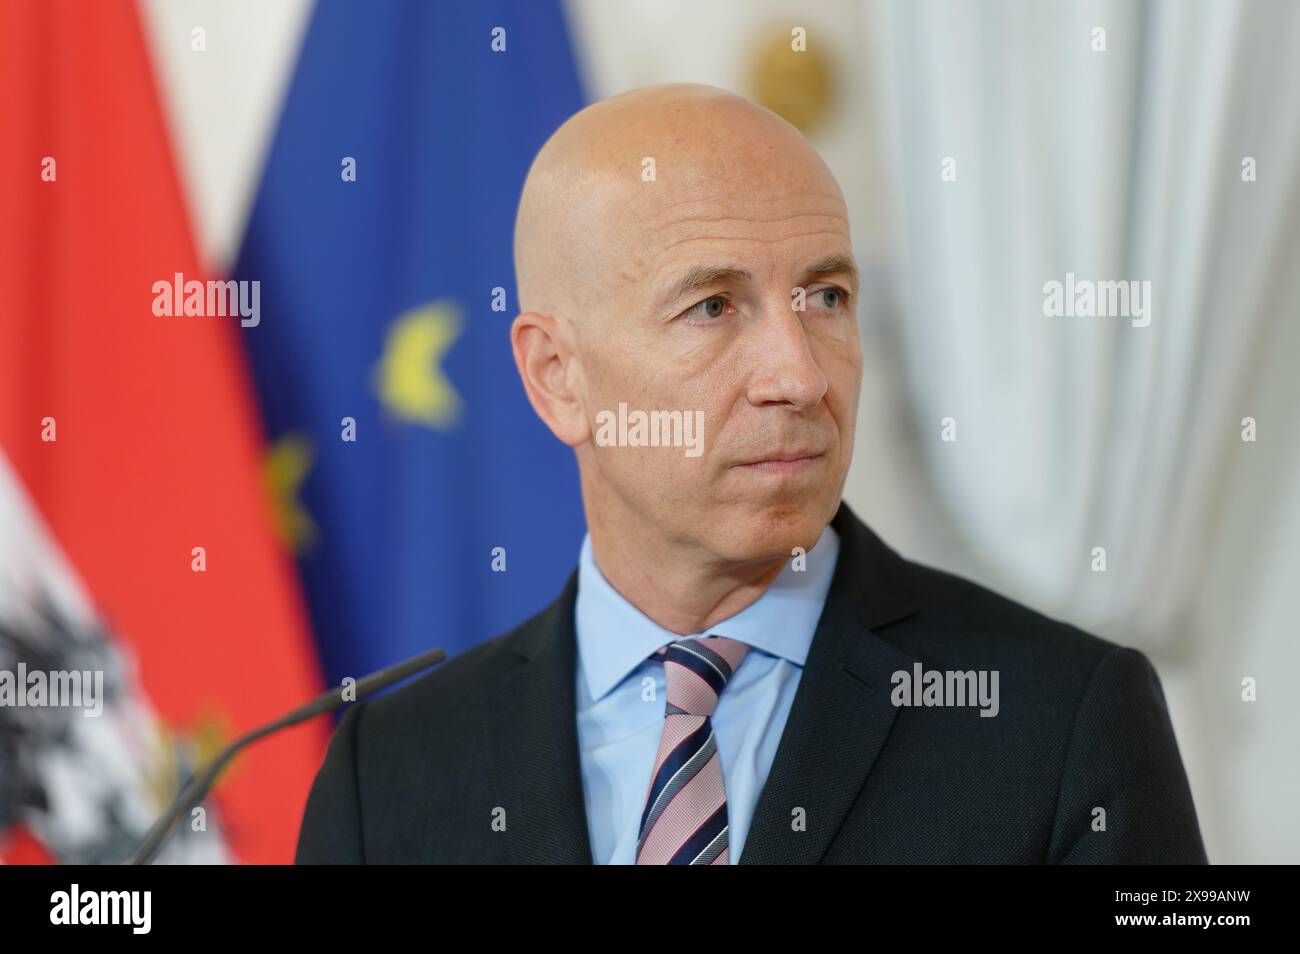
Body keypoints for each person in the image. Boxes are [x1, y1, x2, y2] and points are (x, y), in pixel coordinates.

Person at [295, 83, 1207, 864]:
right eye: (713, 305)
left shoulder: (1061, 722)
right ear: (556, 378)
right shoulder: (392, 773)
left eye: (827, 298)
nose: (801, 376)